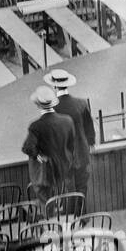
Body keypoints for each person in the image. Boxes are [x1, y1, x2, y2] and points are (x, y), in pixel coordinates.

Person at [21, 86, 76, 204]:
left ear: (38, 105)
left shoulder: (36, 126)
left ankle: (50, 220)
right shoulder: (68, 120)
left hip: (45, 173)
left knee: (47, 203)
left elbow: (27, 148)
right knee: (64, 201)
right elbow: (71, 145)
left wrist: (38, 156)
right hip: (64, 169)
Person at [45, 68, 94, 198]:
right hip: (82, 153)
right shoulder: (81, 103)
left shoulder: (51, 108)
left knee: (66, 189)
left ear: (55, 86)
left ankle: (70, 217)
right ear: (67, 84)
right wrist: (90, 145)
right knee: (82, 186)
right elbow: (90, 130)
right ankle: (82, 216)